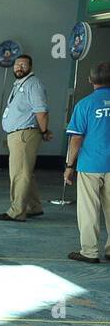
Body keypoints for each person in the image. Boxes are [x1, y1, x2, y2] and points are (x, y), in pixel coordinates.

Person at [64, 62, 110, 264]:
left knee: (89, 210)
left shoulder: (84, 105)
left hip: (90, 165)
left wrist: (69, 166)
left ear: (90, 80)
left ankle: (89, 251)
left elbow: (76, 139)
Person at [0, 53, 51, 222]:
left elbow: (41, 110)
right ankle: (33, 207)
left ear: (30, 67)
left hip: (24, 134)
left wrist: (44, 131)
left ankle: (16, 212)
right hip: (17, 134)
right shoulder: (20, 83)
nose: (19, 67)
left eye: (23, 65)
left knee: (19, 174)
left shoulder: (33, 84)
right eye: (17, 64)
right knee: (25, 172)